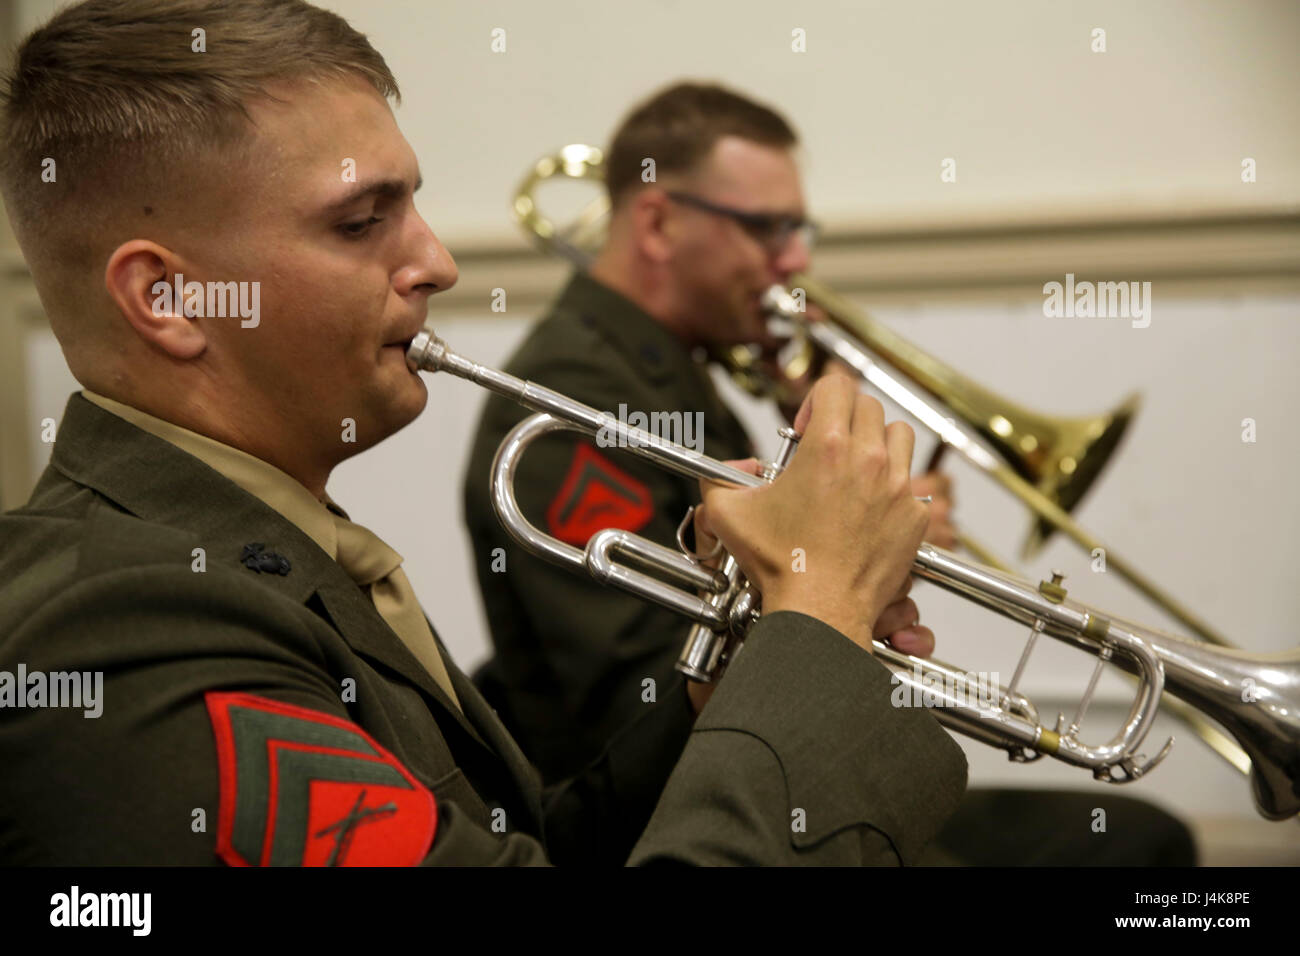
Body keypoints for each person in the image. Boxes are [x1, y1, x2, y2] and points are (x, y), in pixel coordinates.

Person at [0, 0, 968, 866]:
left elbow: (528, 846)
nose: (439, 263)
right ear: (169, 297)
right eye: (361, 222)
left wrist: (741, 659)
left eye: (413, 204)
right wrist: (822, 617)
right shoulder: (123, 633)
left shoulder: (271, 547)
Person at [462, 81, 1197, 865]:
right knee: (1138, 852)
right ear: (657, 222)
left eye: (797, 228)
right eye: (767, 228)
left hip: (773, 780)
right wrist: (840, 557)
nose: (795, 259)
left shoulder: (666, 369)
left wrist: (850, 534)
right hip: (686, 826)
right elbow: (631, 702)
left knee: (1139, 839)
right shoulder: (581, 386)